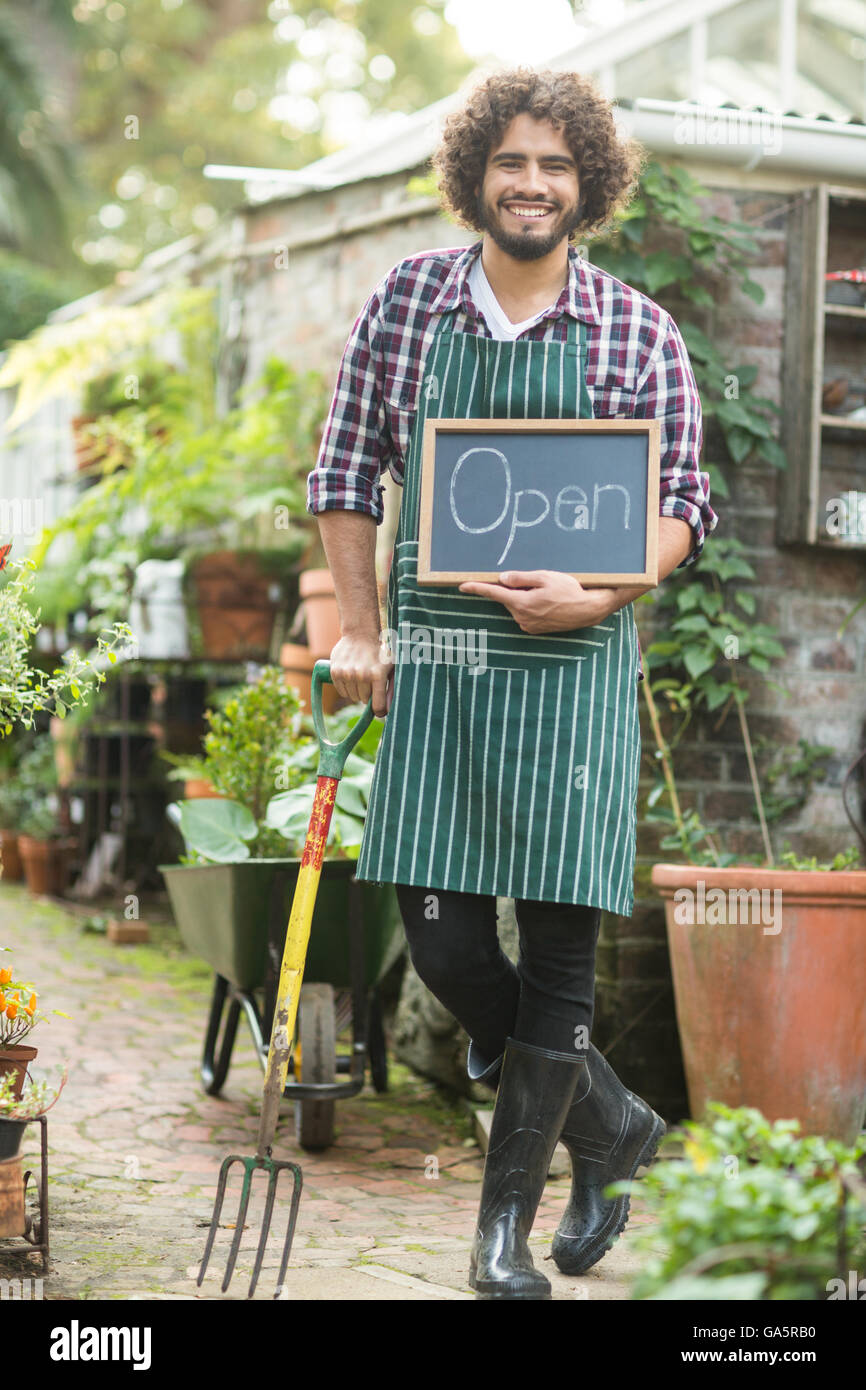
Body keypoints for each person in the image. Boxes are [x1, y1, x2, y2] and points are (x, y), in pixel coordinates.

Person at [307, 67, 717, 1300]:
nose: (531, 184)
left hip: (574, 668)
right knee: (440, 944)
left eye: (555, 165)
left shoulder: (635, 328)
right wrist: (363, 632)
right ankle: (610, 1124)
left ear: (585, 184)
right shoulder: (410, 300)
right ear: (474, 173)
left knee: (554, 959)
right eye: (511, 162)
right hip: (439, 656)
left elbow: (681, 507)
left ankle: (499, 1236)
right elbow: (342, 474)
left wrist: (599, 592)